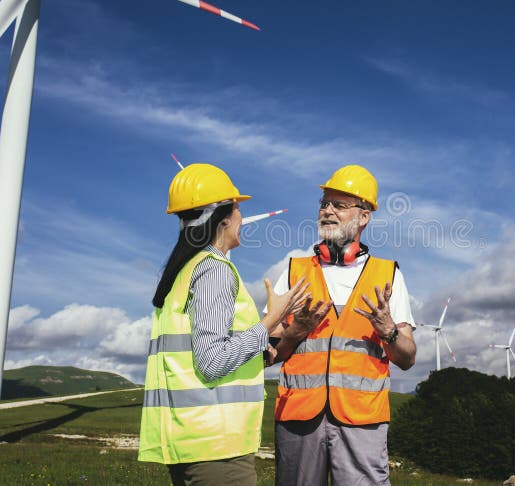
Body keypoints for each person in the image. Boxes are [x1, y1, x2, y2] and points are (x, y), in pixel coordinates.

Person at [138, 163, 309, 486]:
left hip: (191, 441)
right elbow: (212, 362)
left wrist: (269, 338)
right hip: (216, 448)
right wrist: (270, 319)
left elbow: (205, 354)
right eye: (238, 209)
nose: (243, 218)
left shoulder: (185, 272)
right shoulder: (214, 271)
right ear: (223, 217)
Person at [270, 164, 417, 486]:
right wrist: (295, 333)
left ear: (364, 216)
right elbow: (268, 354)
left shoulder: (389, 275)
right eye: (324, 203)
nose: (327, 211)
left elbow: (407, 358)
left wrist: (388, 330)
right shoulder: (294, 271)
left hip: (362, 420)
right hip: (298, 417)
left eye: (339, 205)